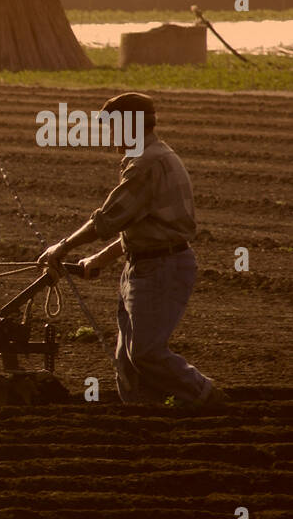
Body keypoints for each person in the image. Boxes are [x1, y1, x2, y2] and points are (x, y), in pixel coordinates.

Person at [37, 92, 221, 408]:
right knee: (127, 361)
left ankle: (209, 397)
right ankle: (145, 425)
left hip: (162, 267)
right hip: (143, 264)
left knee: (146, 353)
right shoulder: (151, 157)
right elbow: (138, 227)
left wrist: (62, 247)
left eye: (112, 129)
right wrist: (99, 259)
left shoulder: (147, 164)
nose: (110, 138)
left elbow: (107, 219)